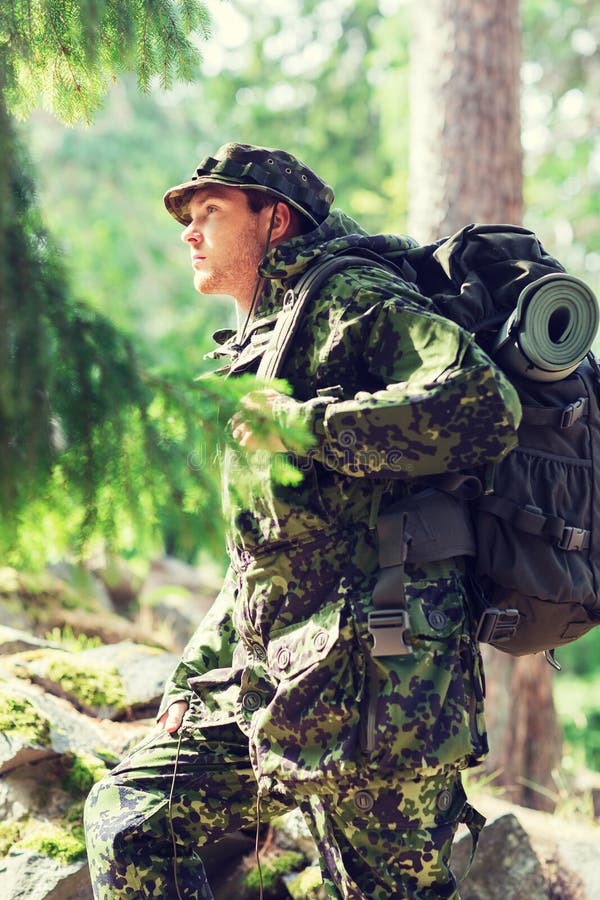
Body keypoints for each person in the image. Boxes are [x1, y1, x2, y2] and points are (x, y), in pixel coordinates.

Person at [84, 143, 521, 898]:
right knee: (130, 818)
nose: (189, 231)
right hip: (276, 684)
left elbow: (484, 405)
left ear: (274, 219)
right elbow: (265, 556)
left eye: (209, 213)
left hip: (389, 694)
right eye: (187, 218)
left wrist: (308, 427)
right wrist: (194, 675)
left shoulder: (355, 297)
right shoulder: (265, 338)